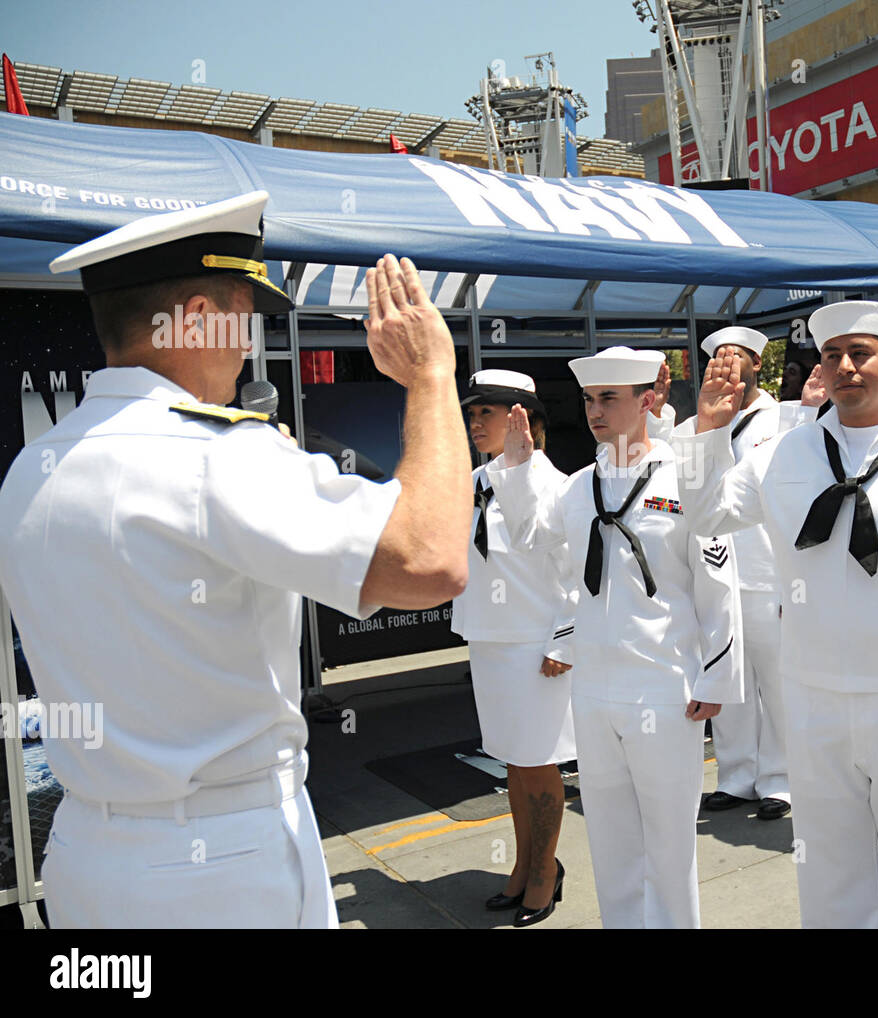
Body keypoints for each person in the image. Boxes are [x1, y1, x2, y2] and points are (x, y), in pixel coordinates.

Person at [0, 193, 472, 928]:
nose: (248, 344)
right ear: (193, 319)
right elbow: (431, 561)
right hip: (220, 869)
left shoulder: (33, 467)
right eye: (240, 318)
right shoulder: (213, 455)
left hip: (87, 856)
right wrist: (433, 381)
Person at [673, 301, 878, 928]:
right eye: (833, 356)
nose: (847, 367)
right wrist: (707, 433)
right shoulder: (784, 452)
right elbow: (703, 517)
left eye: (862, 353)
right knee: (829, 864)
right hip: (815, 695)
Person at [486, 346, 743, 929]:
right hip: (595, 687)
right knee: (610, 838)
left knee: (669, 846)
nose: (595, 411)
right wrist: (520, 469)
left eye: (609, 398)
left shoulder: (685, 478)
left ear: (647, 402)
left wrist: (718, 674)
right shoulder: (578, 486)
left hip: (665, 684)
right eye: (588, 399)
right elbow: (531, 541)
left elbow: (717, 582)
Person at [452, 368, 578, 926]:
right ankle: (526, 864)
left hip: (536, 646)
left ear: (523, 419)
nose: (476, 422)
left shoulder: (554, 485)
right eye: (473, 412)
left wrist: (565, 639)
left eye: (488, 412)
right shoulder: (477, 480)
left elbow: (576, 572)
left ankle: (545, 872)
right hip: (491, 639)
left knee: (539, 763)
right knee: (513, 763)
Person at [675, 327, 791, 821]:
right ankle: (736, 776)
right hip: (716, 573)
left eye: (737, 354)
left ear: (757, 365)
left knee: (779, 685)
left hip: (769, 573)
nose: (726, 360)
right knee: (729, 680)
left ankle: (783, 780)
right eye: (717, 355)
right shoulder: (692, 426)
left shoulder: (786, 420)